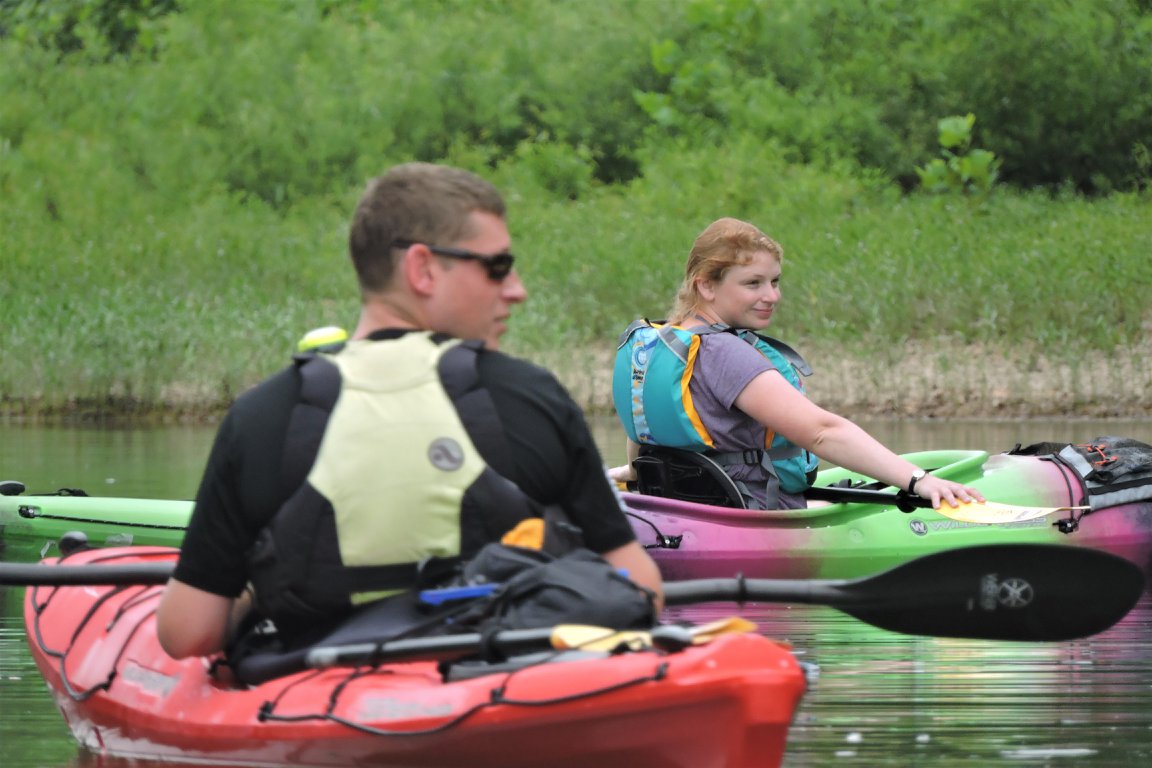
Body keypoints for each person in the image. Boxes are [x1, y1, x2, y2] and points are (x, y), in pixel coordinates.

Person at [157, 162, 663, 660]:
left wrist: (250, 593)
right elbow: (641, 589)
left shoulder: (262, 415)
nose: (517, 289)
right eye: (497, 266)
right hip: (506, 683)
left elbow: (188, 634)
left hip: (320, 697)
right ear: (422, 268)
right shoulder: (530, 396)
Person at [609, 217, 983, 511]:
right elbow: (821, 432)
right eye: (753, 283)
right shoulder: (725, 353)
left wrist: (632, 474)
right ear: (706, 285)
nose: (772, 296)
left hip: (682, 508)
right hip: (751, 512)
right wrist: (919, 482)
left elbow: (643, 433)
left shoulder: (658, 345)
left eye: (774, 281)